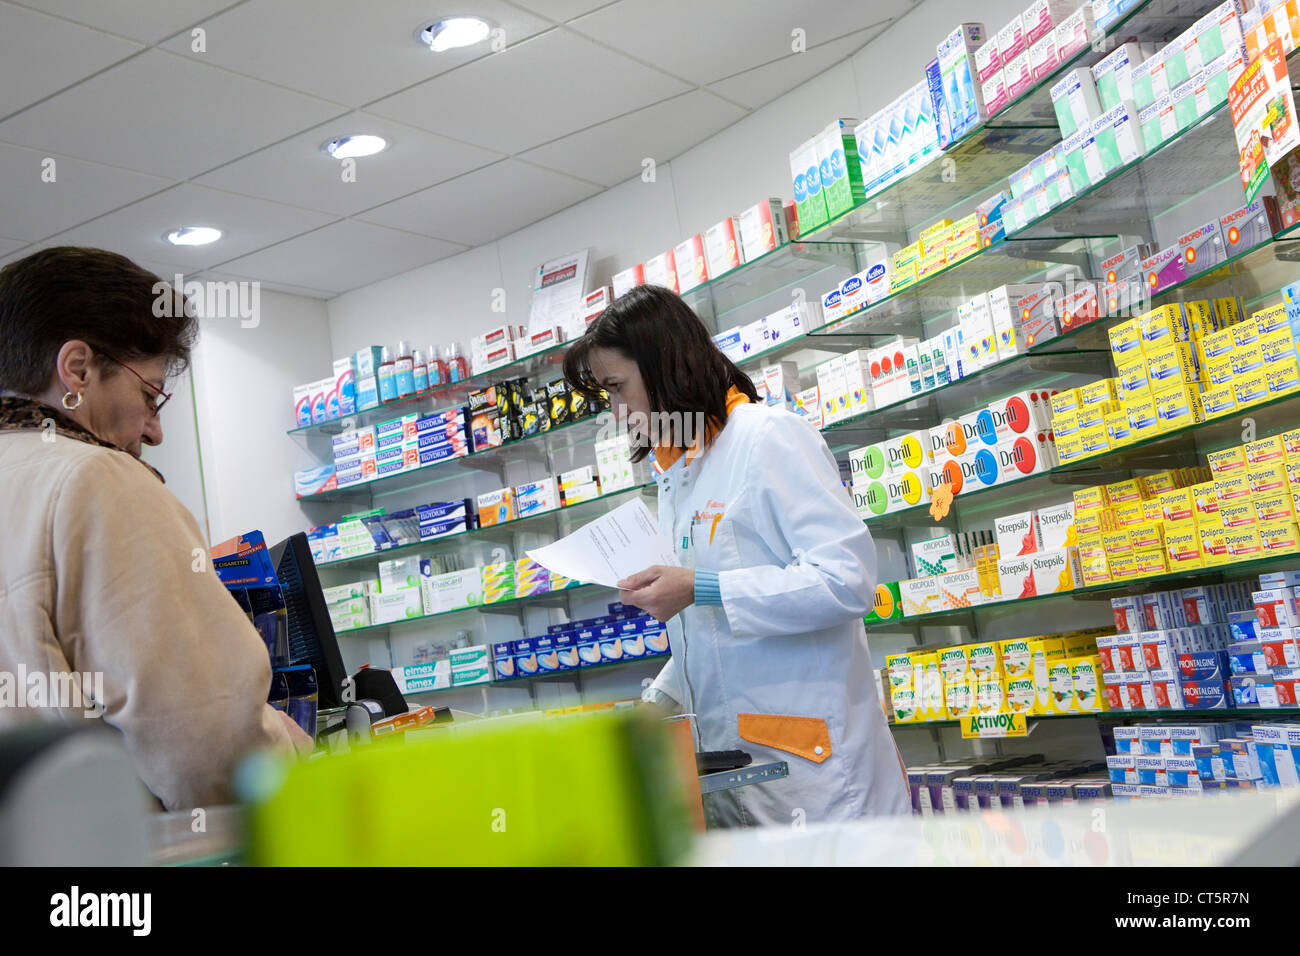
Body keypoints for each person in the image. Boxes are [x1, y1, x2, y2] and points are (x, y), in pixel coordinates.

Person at [564, 285, 910, 827]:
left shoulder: (768, 438)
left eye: (617, 386)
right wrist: (652, 707)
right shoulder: (678, 474)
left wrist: (701, 587)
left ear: (662, 364)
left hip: (817, 771)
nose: (616, 410)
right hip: (737, 764)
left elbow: (846, 581)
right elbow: (711, 637)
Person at [0, 246, 310, 811]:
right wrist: (297, 764)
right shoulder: (97, 481)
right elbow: (207, 744)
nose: (156, 431)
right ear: (77, 369)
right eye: (149, 396)